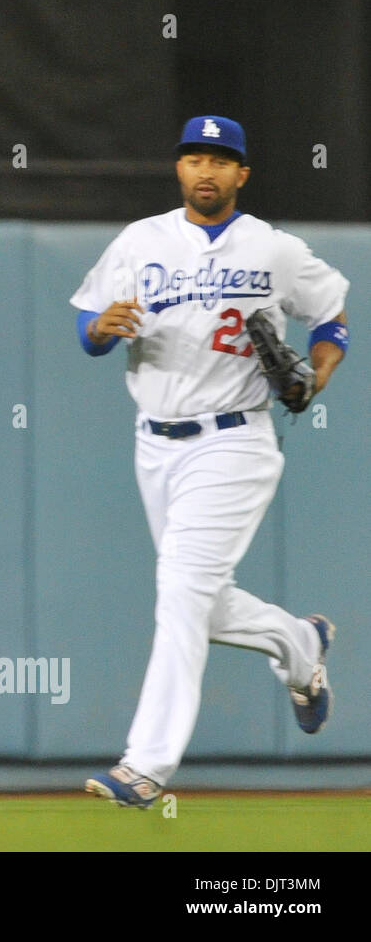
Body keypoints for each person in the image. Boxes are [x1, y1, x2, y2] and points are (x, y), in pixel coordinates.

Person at [72, 116, 348, 807]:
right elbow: (88, 327)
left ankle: (145, 766)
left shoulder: (274, 249)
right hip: (154, 443)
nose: (206, 170)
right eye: (195, 157)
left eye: (221, 160)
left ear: (241, 174)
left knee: (180, 592)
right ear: (179, 169)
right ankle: (299, 644)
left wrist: (319, 373)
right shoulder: (141, 240)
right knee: (203, 602)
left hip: (234, 440)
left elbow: (331, 316)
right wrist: (99, 329)